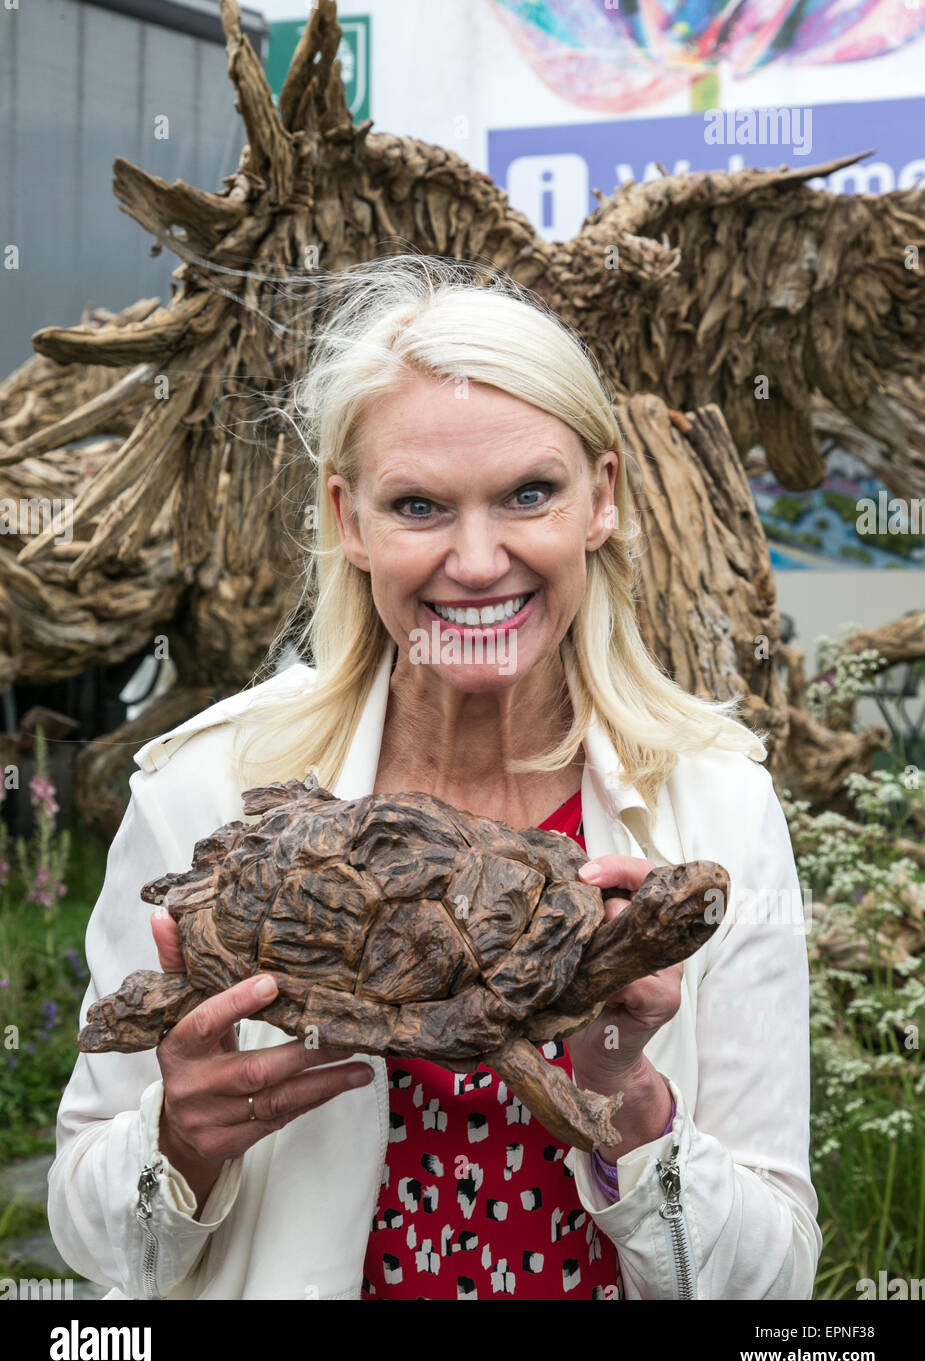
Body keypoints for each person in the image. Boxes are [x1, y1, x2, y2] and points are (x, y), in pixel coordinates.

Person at [48, 255, 822, 1300]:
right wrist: (181, 1143)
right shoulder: (212, 795)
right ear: (348, 519)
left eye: (528, 494)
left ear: (600, 499)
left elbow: (770, 1288)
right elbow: (104, 1254)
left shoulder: (712, 812)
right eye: (417, 504)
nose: (474, 558)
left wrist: (628, 1099)